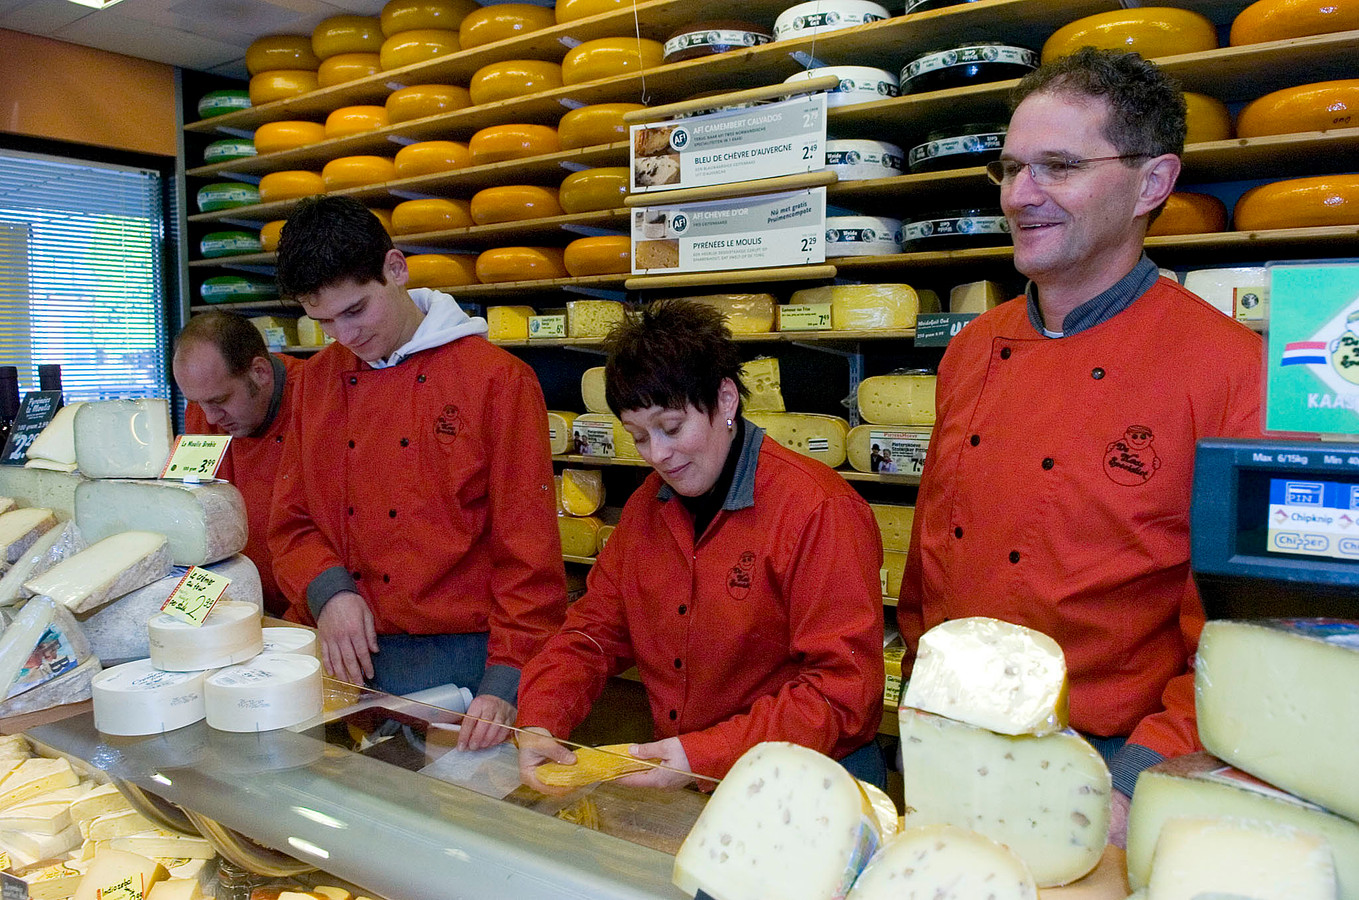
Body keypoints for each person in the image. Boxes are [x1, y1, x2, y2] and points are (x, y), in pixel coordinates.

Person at [900, 47, 1264, 845]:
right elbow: (932, 560)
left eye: (1057, 167)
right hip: (944, 745)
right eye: (1010, 168)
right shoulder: (971, 350)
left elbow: (1235, 638)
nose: (1019, 196)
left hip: (1104, 770)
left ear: (1152, 184)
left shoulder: (1232, 372)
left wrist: (1136, 782)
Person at [517, 299, 886, 792]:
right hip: (691, 781)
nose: (659, 455)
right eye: (639, 437)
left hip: (803, 790)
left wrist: (699, 754)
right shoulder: (648, 509)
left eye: (671, 428)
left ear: (726, 399)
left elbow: (842, 695)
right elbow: (593, 631)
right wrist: (542, 717)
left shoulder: (819, 510)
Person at [269, 195, 567, 750]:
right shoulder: (314, 383)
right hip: (344, 658)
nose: (345, 336)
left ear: (396, 268)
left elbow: (528, 553)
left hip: (468, 664)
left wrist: (506, 681)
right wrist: (328, 593)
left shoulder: (496, 381)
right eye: (323, 321)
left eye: (356, 310)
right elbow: (291, 522)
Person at [173, 311, 302, 617]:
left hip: (310, 613)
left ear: (260, 372)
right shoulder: (204, 411)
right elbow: (198, 524)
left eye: (219, 401)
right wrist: (187, 616)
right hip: (241, 607)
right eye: (196, 403)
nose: (209, 418)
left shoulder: (320, 400)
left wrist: (291, 630)